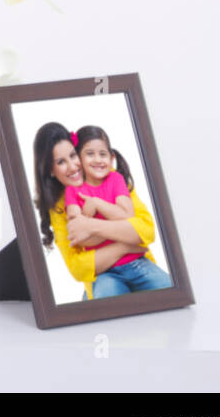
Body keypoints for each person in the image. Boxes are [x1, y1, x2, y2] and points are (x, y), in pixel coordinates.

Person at [32, 121, 159, 300]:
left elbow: (146, 230)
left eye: (73, 155)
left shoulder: (111, 177)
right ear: (50, 170)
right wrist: (127, 244)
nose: (72, 167)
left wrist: (90, 224)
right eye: (61, 162)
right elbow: (78, 267)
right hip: (104, 276)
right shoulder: (59, 206)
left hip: (137, 265)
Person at [62, 124, 172, 298]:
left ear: (111, 158)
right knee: (107, 301)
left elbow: (127, 215)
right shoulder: (73, 190)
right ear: (78, 160)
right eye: (90, 154)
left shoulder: (116, 179)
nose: (98, 159)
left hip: (136, 263)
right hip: (104, 272)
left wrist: (96, 206)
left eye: (103, 154)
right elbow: (82, 238)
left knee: (169, 290)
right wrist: (121, 232)